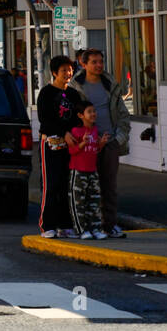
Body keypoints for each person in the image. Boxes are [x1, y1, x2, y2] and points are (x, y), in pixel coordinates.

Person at [71, 49, 131, 238]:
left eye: (101, 62)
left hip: (109, 141)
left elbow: (123, 115)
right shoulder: (75, 87)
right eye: (94, 62)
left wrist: (118, 138)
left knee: (109, 186)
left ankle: (110, 225)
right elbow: (70, 116)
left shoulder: (110, 84)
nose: (98, 65)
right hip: (87, 145)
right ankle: (89, 227)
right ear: (84, 64)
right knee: (87, 188)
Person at [36, 55, 84, 238]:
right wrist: (64, 132)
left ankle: (65, 225)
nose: (68, 73)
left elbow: (77, 118)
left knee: (67, 184)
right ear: (55, 72)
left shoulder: (73, 94)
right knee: (51, 183)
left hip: (70, 144)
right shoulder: (46, 93)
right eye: (64, 70)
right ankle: (47, 225)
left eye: (70, 69)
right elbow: (45, 120)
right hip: (50, 143)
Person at [65, 102, 109, 239]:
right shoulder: (76, 131)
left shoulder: (95, 130)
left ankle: (95, 228)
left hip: (92, 171)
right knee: (79, 202)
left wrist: (101, 144)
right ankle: (81, 230)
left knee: (94, 201)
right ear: (80, 115)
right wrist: (82, 143)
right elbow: (72, 150)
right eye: (89, 111)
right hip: (78, 172)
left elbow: (94, 149)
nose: (93, 114)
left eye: (94, 111)